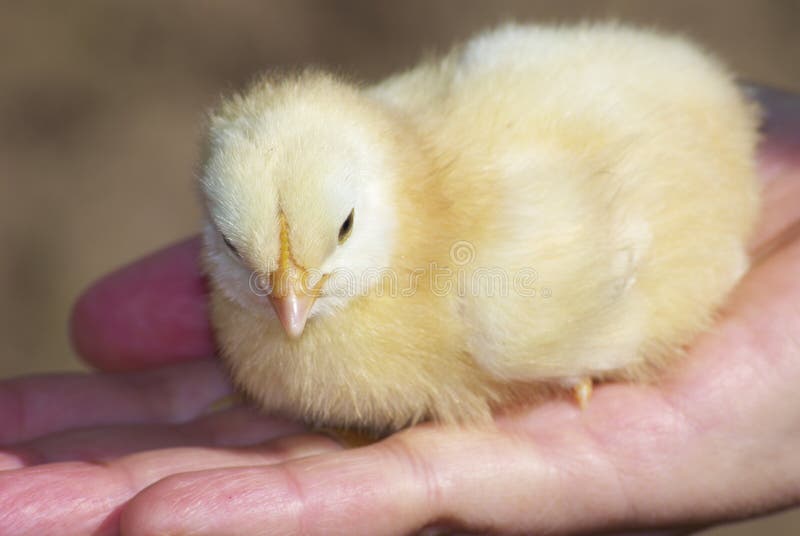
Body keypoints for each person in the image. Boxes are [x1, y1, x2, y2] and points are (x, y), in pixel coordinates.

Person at [1, 86, 799, 535]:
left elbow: (674, 200)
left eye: (340, 234)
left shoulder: (502, 279)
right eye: (244, 259)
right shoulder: (333, 162)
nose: (291, 306)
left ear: (368, 198)